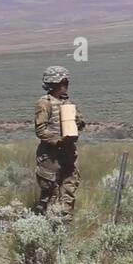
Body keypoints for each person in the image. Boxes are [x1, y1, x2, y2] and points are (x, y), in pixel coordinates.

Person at [34, 65, 85, 223]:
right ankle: (44, 226)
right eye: (64, 82)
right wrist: (58, 140)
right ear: (56, 84)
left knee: (68, 192)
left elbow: (81, 124)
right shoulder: (44, 104)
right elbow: (40, 130)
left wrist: (78, 122)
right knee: (50, 194)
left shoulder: (67, 103)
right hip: (51, 158)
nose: (66, 85)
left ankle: (64, 229)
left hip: (68, 156)